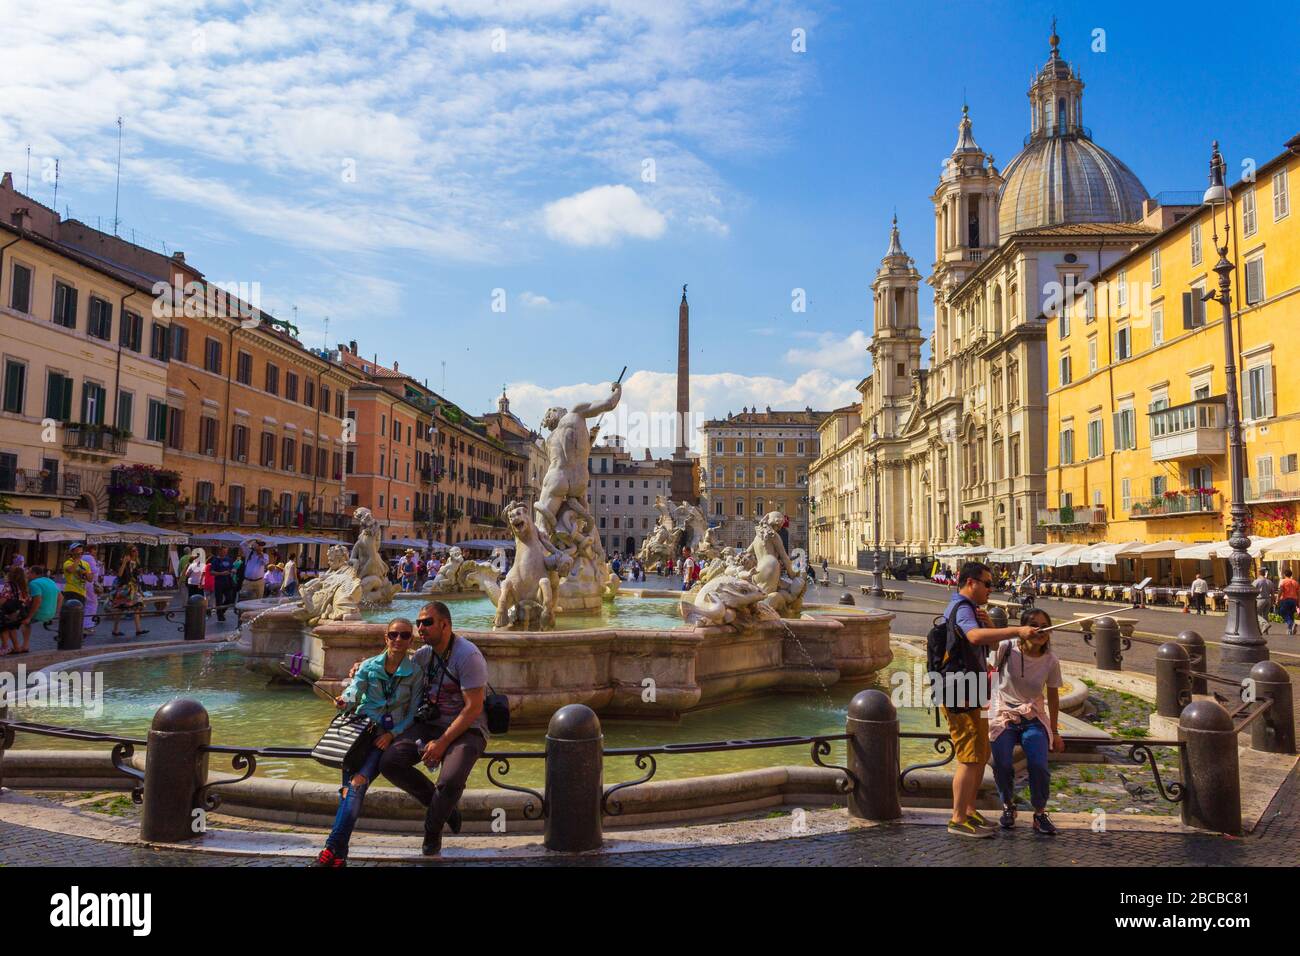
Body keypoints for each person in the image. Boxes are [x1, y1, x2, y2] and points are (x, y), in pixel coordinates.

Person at [937, 561, 1042, 839]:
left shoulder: (971, 610)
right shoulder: (961, 608)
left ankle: (969, 811)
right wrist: (1016, 631)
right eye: (987, 583)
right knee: (969, 756)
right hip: (958, 691)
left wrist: (993, 626)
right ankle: (957, 819)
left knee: (981, 753)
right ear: (971, 582)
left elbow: (991, 646)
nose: (990, 589)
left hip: (973, 691)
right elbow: (973, 636)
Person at [312, 617, 422, 868]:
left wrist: (392, 734)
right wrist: (343, 700)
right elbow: (354, 692)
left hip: (382, 737)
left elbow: (412, 713)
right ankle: (339, 858)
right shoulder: (369, 666)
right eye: (393, 635)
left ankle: (329, 849)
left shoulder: (416, 673)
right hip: (357, 732)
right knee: (348, 792)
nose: (398, 640)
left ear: (410, 641)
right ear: (386, 638)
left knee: (357, 784)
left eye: (404, 635)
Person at [380, 601, 487, 856]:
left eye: (426, 622)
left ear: (445, 625)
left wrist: (442, 743)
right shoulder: (424, 655)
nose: (420, 628)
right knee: (389, 762)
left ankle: (432, 831)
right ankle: (445, 807)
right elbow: (395, 677)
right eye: (418, 623)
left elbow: (473, 708)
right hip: (429, 725)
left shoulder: (468, 655)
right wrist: (362, 669)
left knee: (449, 781)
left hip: (468, 728)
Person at [989, 608, 1064, 836]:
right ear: (1024, 628)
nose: (1040, 630)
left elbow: (1053, 695)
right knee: (1001, 763)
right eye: (1034, 625)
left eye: (1045, 625)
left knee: (1039, 765)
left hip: (1033, 716)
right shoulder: (1006, 648)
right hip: (1004, 714)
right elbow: (990, 643)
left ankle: (1040, 813)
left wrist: (1054, 731)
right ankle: (1008, 805)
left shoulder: (1051, 661)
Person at [109, 545, 149, 638]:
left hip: (133, 588)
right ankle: (115, 630)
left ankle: (138, 630)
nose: (136, 552)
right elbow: (119, 574)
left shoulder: (136, 562)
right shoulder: (123, 560)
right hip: (124, 588)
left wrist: (139, 573)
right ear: (129, 552)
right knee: (120, 609)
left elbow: (135, 576)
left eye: (136, 550)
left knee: (137, 606)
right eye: (134, 551)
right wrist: (124, 563)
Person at [21, 566, 61, 653]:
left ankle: (24, 645)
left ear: (35, 574)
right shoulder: (50, 581)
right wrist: (55, 611)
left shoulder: (34, 583)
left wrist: (29, 617)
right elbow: (61, 597)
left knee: (16, 619)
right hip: (51, 613)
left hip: (40, 613)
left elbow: (37, 601)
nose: (27, 575)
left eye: (29, 573)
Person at [0, 565, 30, 655]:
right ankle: (16, 647)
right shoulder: (23, 585)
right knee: (11, 628)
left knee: (3, 627)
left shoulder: (9, 585)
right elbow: (27, 599)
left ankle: (5, 647)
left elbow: (3, 600)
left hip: (9, 612)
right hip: (20, 612)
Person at [209, 546, 236, 622]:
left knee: (229, 599)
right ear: (219, 551)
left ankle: (222, 611)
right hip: (219, 583)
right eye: (224, 551)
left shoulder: (229, 559)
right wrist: (221, 573)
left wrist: (234, 570)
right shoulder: (215, 560)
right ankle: (220, 615)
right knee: (219, 600)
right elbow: (211, 572)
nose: (225, 553)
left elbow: (233, 567)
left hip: (228, 582)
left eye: (226, 551)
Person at [81, 543, 102, 633]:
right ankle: (88, 625)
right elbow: (94, 570)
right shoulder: (90, 558)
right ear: (91, 549)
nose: (96, 552)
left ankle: (83, 624)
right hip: (90, 583)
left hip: (82, 582)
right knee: (92, 603)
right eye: (95, 550)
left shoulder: (82, 556)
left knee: (85, 603)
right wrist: (99, 565)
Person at [1278, 569, 1300, 636]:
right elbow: (1298, 593)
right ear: (1291, 575)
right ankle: (1290, 630)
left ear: (1284, 574)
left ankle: (1291, 623)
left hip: (1286, 600)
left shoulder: (1283, 581)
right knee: (1291, 614)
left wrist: (1277, 598)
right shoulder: (1295, 582)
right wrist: (1298, 602)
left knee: (1282, 612)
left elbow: (1281, 590)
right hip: (1294, 600)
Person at [1254, 570, 1275, 634]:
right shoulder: (1269, 582)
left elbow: (1252, 591)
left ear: (1259, 574)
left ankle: (1264, 624)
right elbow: (1272, 593)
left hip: (1260, 599)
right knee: (1265, 615)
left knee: (1255, 614)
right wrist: (1272, 601)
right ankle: (1266, 631)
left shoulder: (1256, 581)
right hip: (1268, 599)